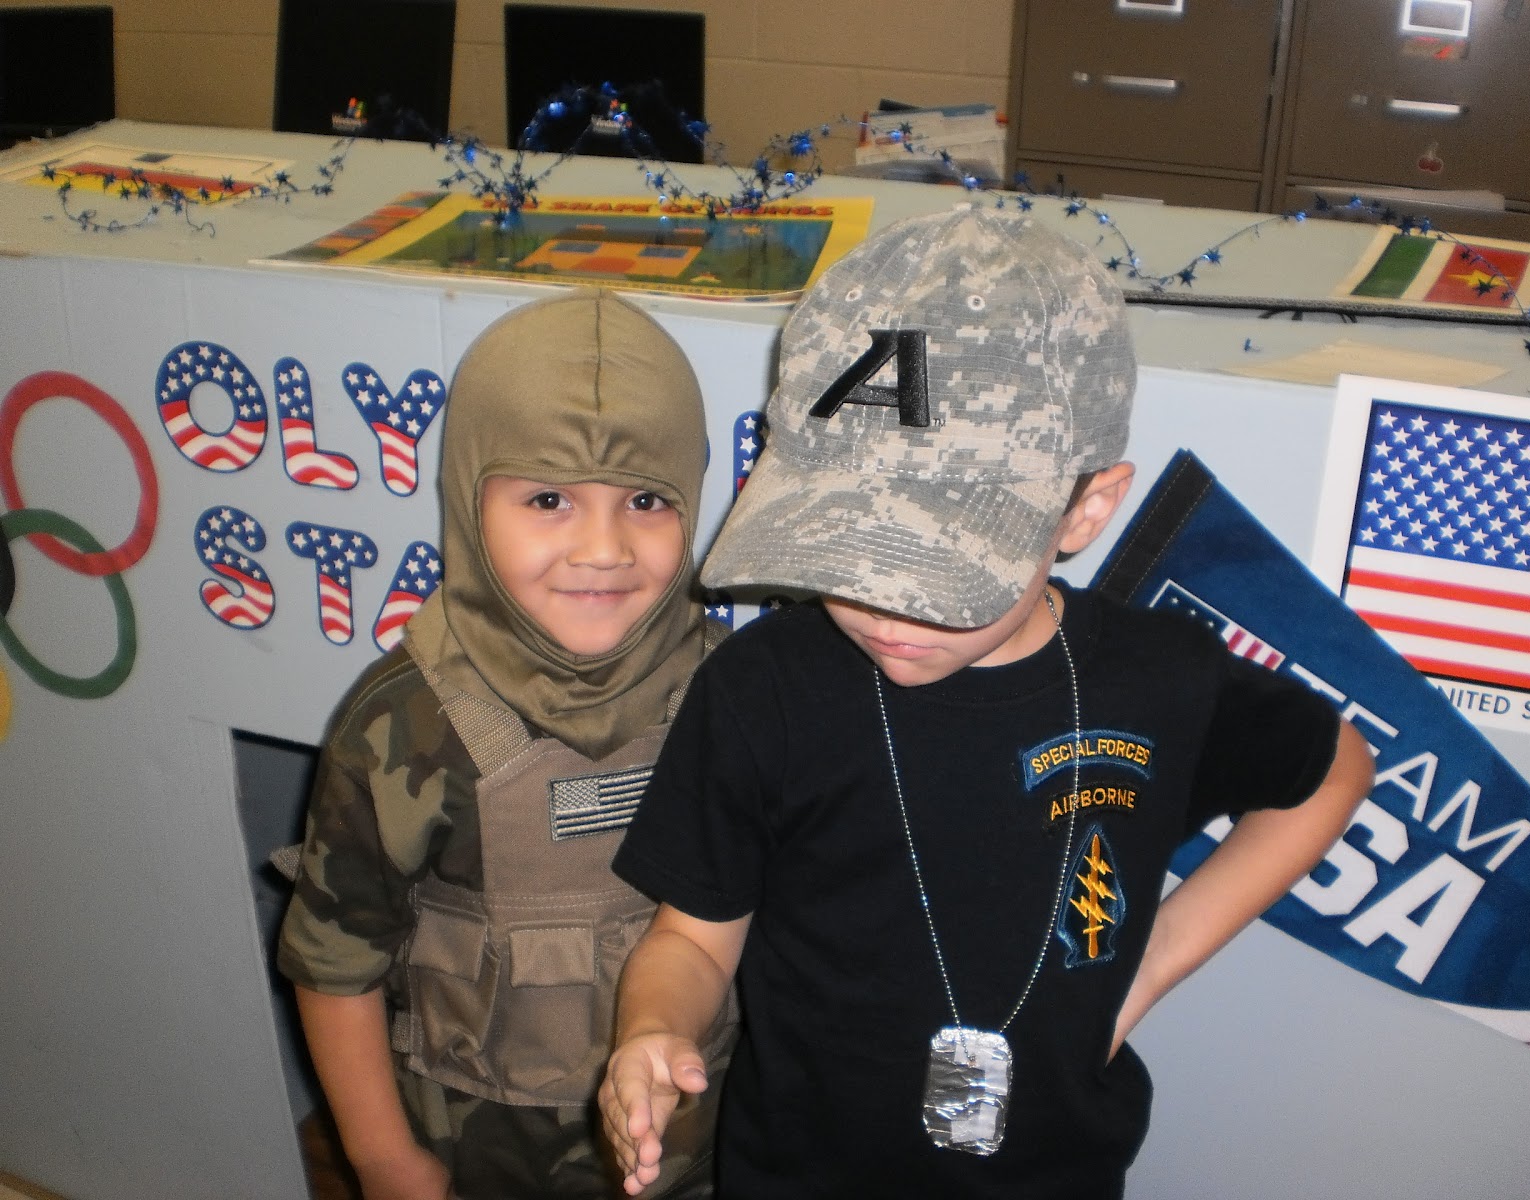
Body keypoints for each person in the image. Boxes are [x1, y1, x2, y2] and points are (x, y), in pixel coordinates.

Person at [598, 208, 1374, 1199]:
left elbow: (1332, 764)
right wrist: (652, 1030)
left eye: (936, 566)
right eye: (845, 549)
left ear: (1085, 510)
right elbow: (691, 935)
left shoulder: (1157, 677)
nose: (884, 608)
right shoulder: (764, 690)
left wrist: (1154, 961)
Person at [278, 291, 734, 1200]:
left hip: (691, 1153)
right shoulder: (404, 726)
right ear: (468, 497)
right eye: (549, 498)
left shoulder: (730, 698)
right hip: (475, 1158)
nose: (601, 549)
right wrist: (383, 1159)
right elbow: (336, 965)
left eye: (646, 500)